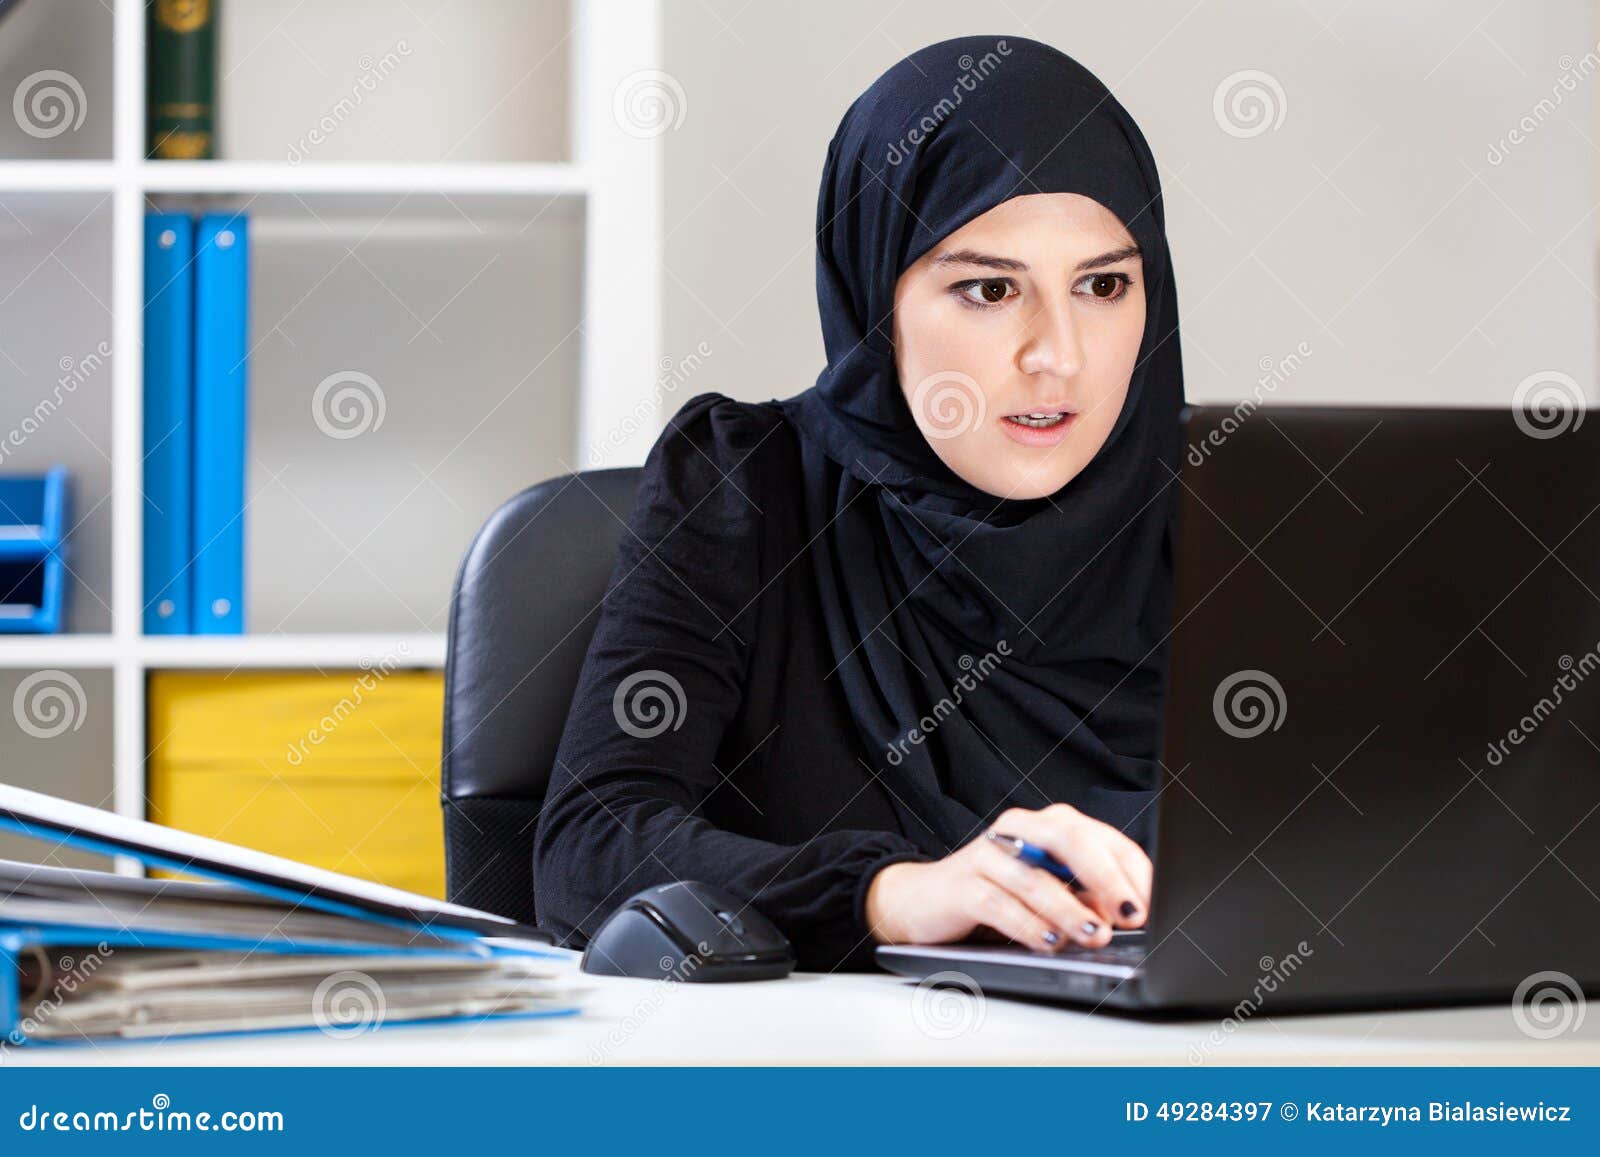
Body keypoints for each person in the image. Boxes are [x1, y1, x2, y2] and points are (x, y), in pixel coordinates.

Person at [533, 34, 1185, 972]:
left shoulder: (1232, 519)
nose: (1061, 356)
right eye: (991, 288)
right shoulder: (743, 486)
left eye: (1103, 284)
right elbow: (589, 847)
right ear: (876, 296)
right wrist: (893, 894)